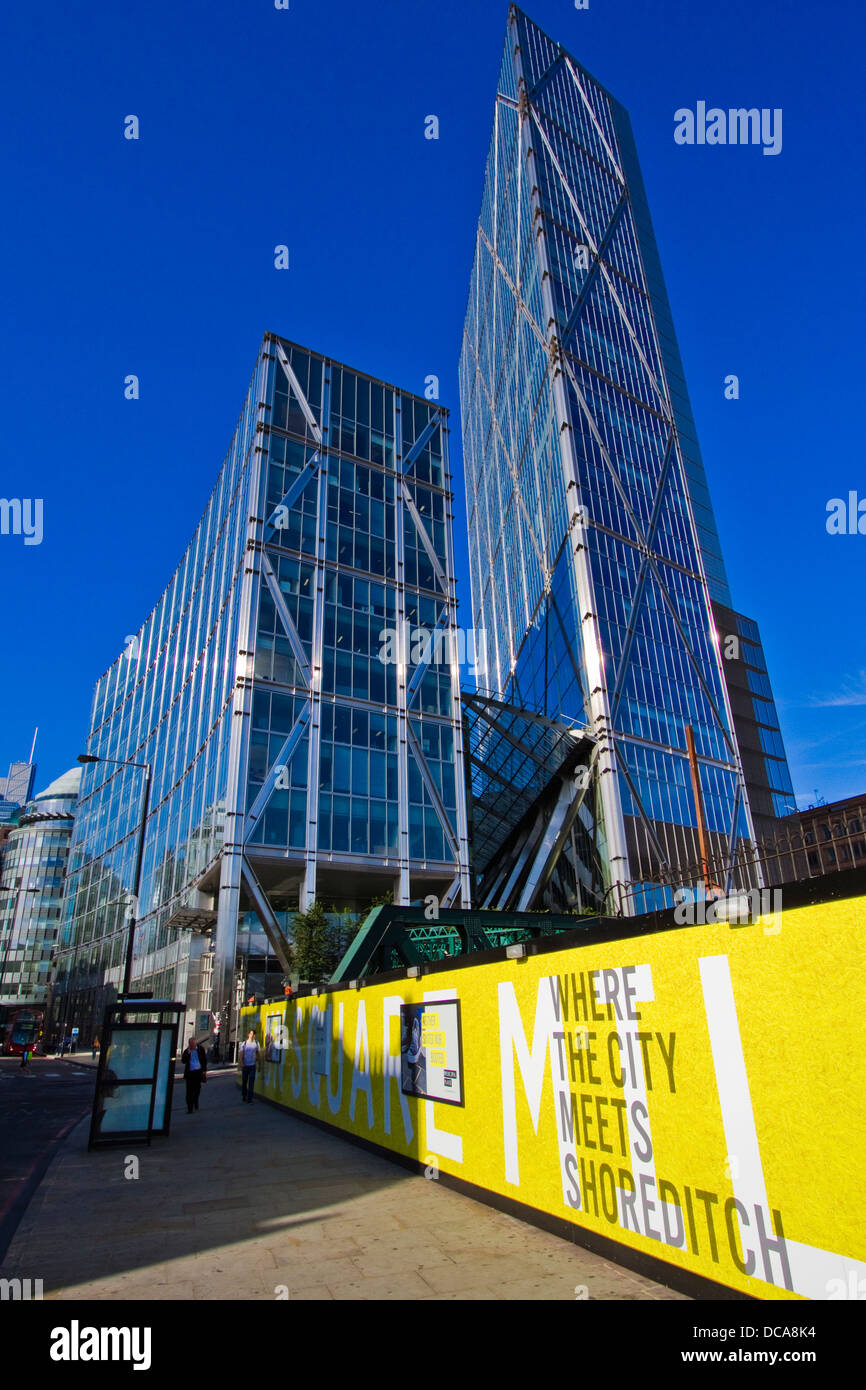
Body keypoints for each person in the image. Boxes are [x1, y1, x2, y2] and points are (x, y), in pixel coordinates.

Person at [181, 1034, 208, 1113]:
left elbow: (204, 1060)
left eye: (193, 1043)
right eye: (190, 1044)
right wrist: (188, 1053)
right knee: (189, 1091)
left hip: (198, 1072)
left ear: (195, 1043)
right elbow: (183, 1061)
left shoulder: (200, 1049)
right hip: (190, 1073)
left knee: (197, 1089)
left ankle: (195, 1100)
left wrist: (204, 1070)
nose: (191, 1045)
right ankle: (190, 1107)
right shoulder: (187, 1051)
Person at [239, 1030, 260, 1103]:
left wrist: (259, 1064)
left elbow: (258, 1054)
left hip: (252, 1066)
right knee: (244, 1082)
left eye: (253, 1034)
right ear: (248, 1034)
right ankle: (244, 1095)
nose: (252, 1035)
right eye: (251, 1034)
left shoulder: (256, 1043)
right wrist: (241, 1063)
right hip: (245, 1065)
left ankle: (249, 1098)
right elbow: (241, 1054)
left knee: (251, 1082)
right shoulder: (244, 1043)